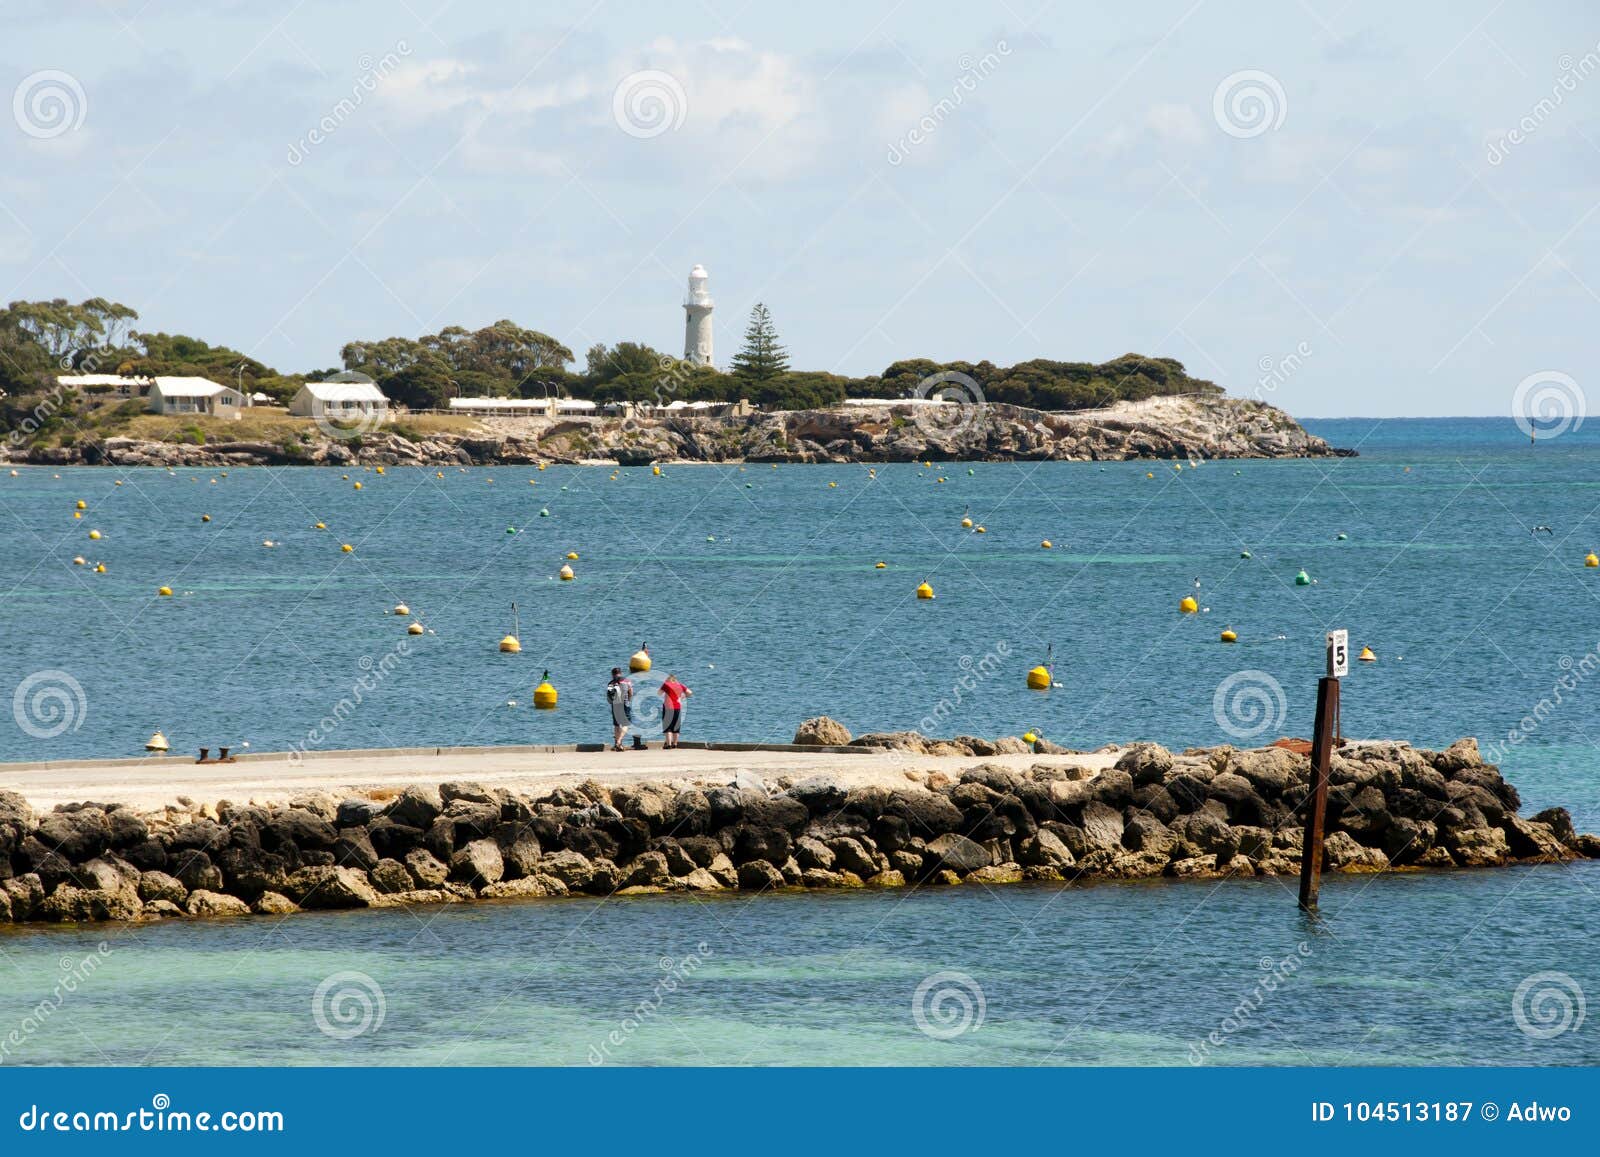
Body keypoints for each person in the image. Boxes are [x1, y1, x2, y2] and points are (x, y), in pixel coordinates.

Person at [659, 673, 692, 749]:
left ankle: (669, 744)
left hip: (668, 708)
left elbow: (659, 693)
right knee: (676, 728)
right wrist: (683, 697)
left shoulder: (666, 685)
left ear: (668, 679)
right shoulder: (680, 685)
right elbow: (690, 692)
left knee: (668, 728)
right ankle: (675, 744)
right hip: (677, 707)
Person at [606, 667, 634, 751]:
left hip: (615, 705)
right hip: (625, 704)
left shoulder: (611, 683)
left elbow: (608, 697)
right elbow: (631, 692)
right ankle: (619, 742)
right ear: (620, 673)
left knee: (616, 725)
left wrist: (612, 703)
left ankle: (617, 744)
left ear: (612, 674)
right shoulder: (627, 681)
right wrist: (628, 700)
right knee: (626, 724)